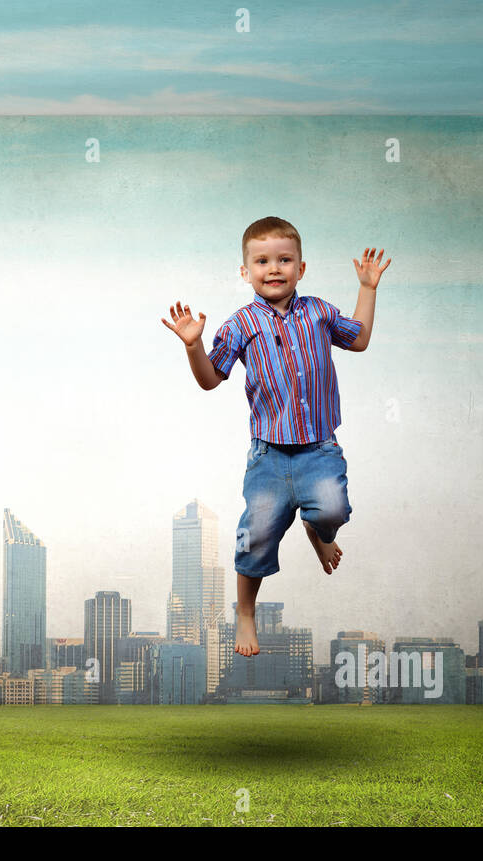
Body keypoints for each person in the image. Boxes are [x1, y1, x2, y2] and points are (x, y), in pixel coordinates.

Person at [161, 216, 389, 656]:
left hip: (319, 449)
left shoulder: (319, 312)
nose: (274, 269)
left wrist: (368, 288)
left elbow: (358, 340)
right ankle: (245, 613)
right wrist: (193, 345)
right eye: (262, 261)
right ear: (245, 272)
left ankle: (318, 533)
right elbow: (211, 380)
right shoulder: (240, 325)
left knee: (333, 511)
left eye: (284, 260)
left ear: (301, 268)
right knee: (257, 535)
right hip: (268, 456)